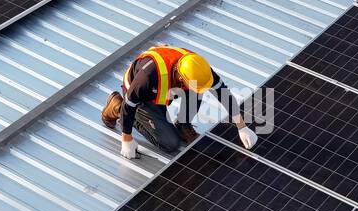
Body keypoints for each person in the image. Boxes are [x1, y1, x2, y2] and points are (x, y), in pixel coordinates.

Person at [101, 45, 258, 158]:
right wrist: (126, 138)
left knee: (196, 90)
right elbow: (130, 103)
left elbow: (223, 93)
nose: (199, 90)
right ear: (181, 77)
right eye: (192, 84)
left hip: (165, 90)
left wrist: (242, 126)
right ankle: (116, 106)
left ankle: (183, 125)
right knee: (170, 144)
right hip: (141, 96)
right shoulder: (148, 76)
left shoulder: (198, 67)